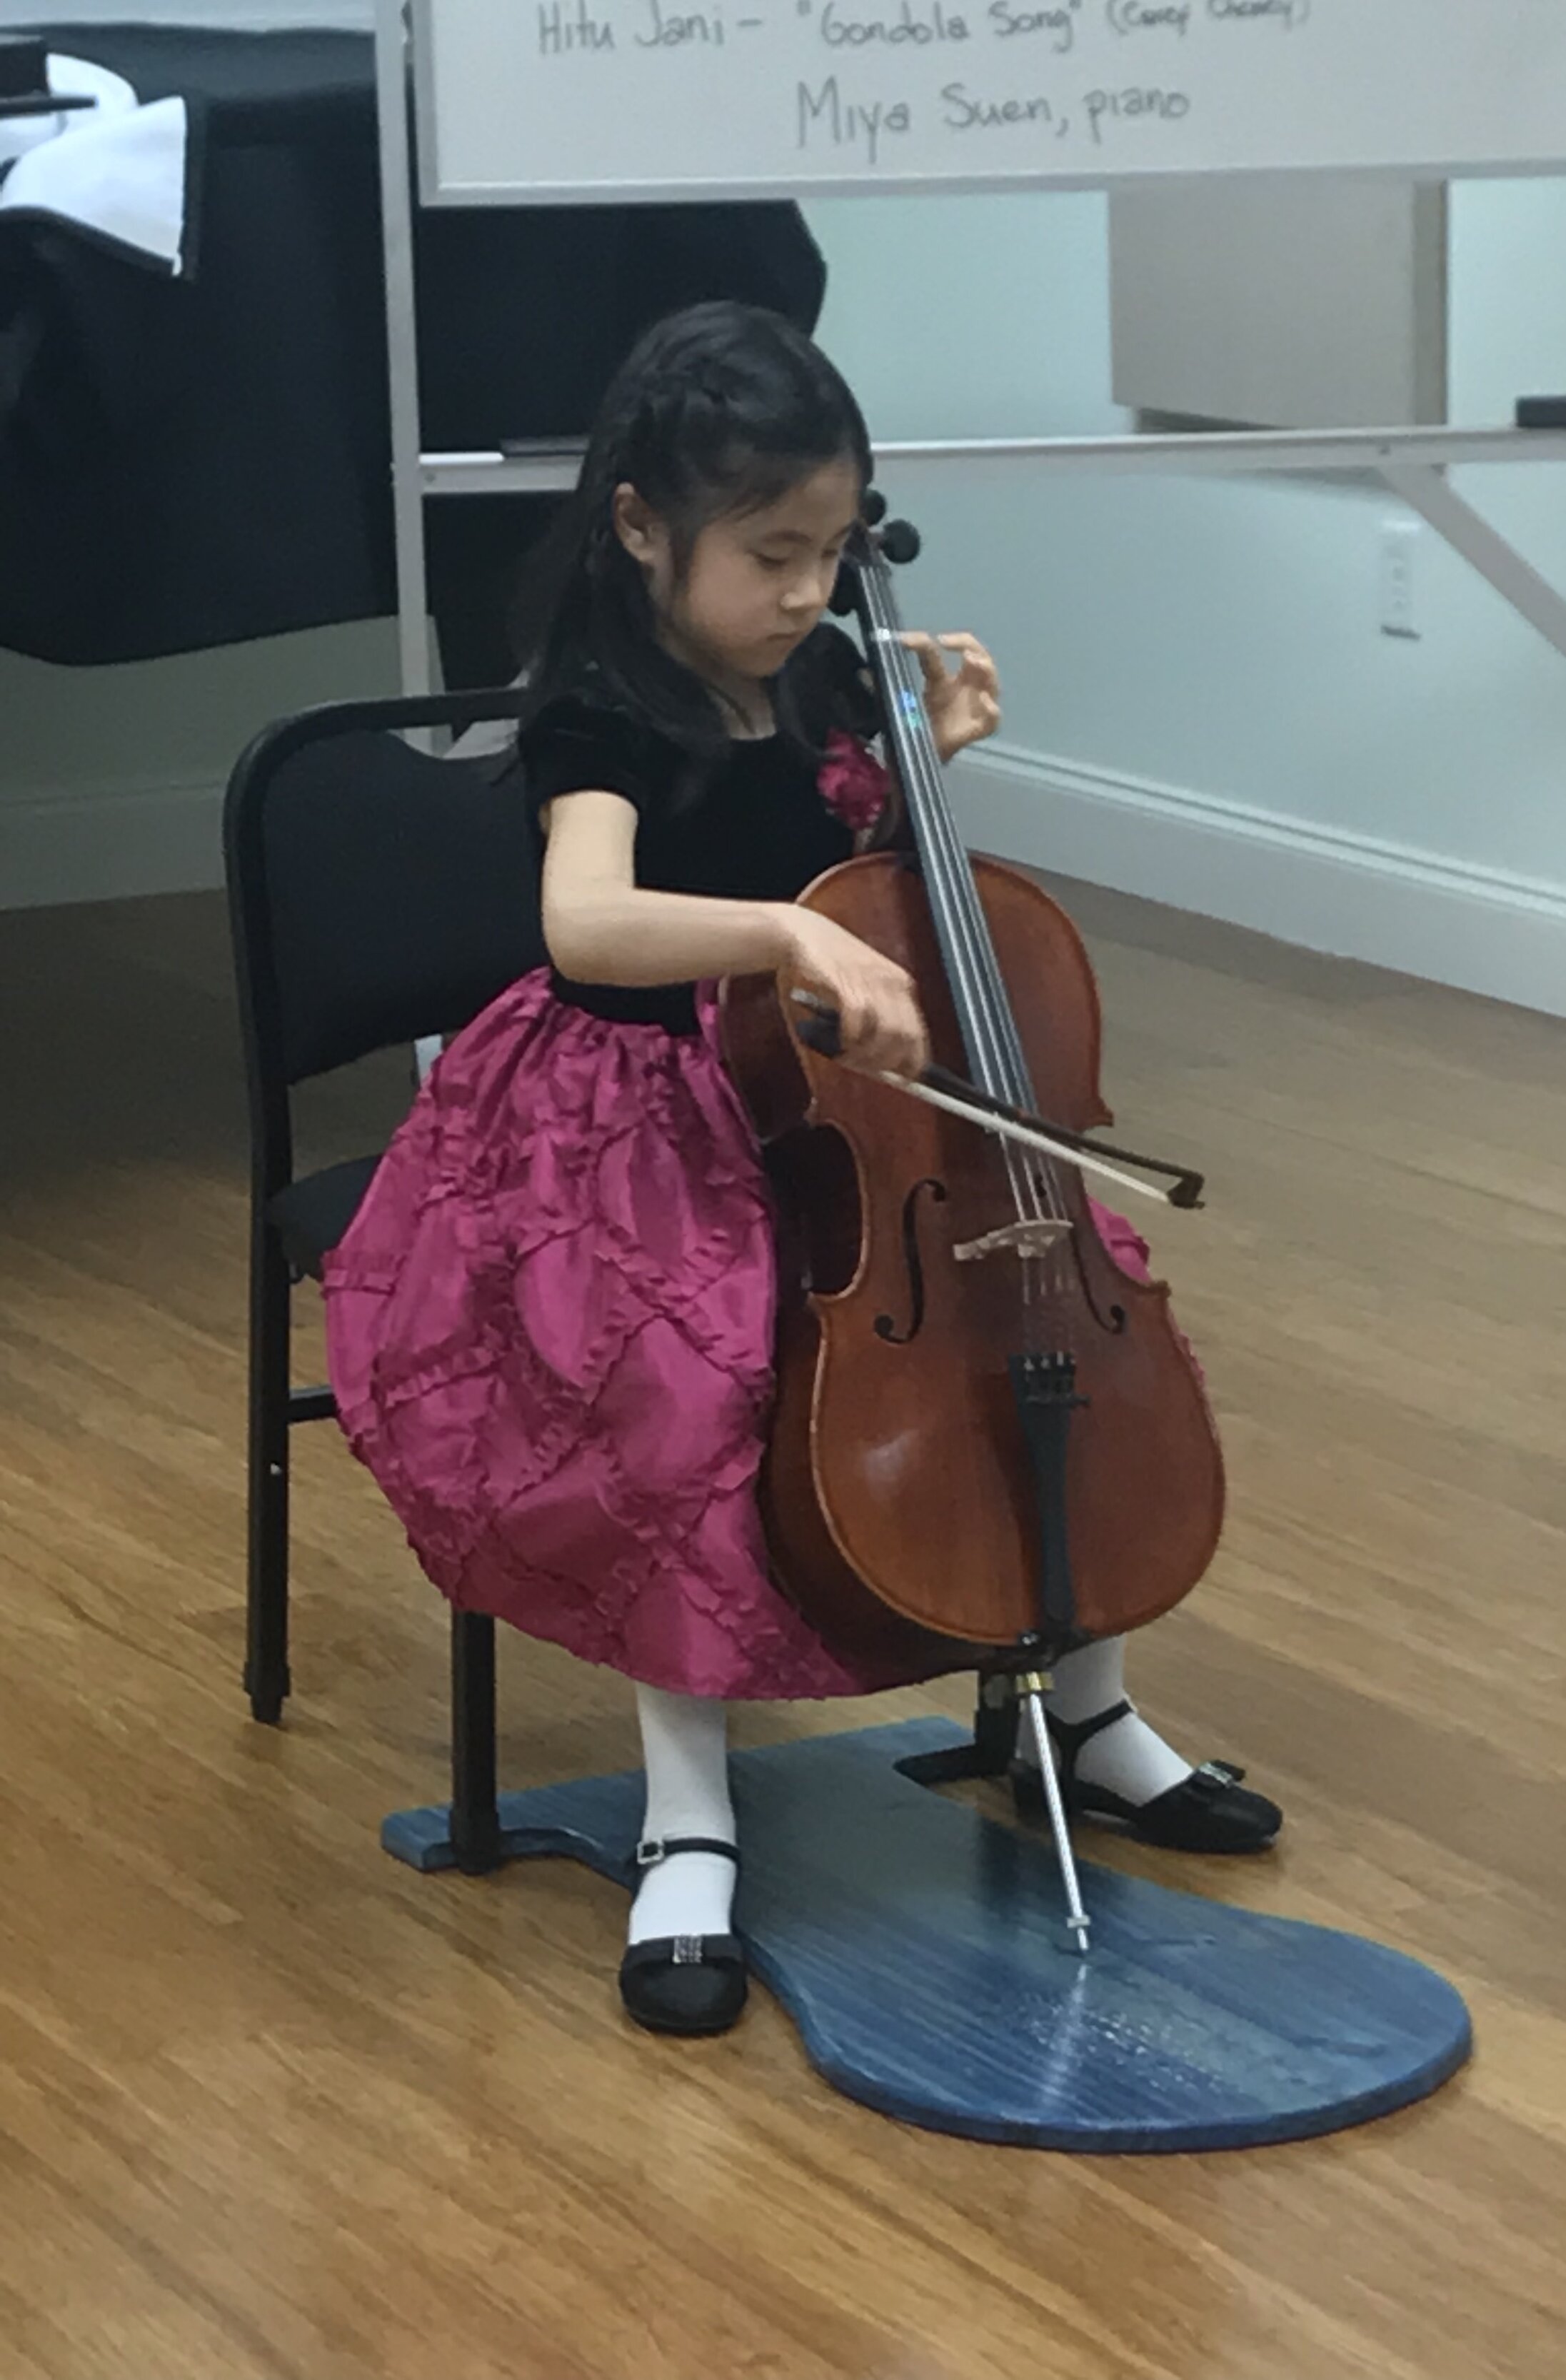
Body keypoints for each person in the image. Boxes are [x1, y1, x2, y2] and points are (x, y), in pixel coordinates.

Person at [324, 301, 1280, 2039]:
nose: (806, 590)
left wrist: (927, 760)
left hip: (838, 1113)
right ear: (641, 525)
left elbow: (850, 873)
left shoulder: (831, 675)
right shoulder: (602, 707)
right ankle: (688, 1812)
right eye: (770, 553)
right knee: (685, 1387)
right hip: (630, 1110)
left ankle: (1082, 1708)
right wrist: (776, 931)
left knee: (1064, 1309)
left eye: (832, 550)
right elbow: (586, 920)